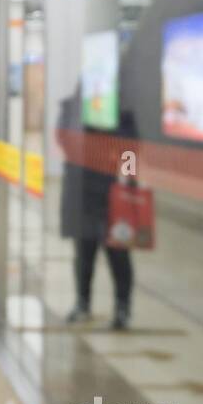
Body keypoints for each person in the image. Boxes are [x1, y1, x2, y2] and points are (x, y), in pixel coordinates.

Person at [55, 90, 137, 330]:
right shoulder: (73, 107)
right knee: (84, 251)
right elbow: (63, 140)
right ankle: (83, 302)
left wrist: (129, 180)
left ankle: (122, 308)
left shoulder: (119, 110)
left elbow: (130, 148)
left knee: (118, 252)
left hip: (110, 190)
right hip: (81, 188)